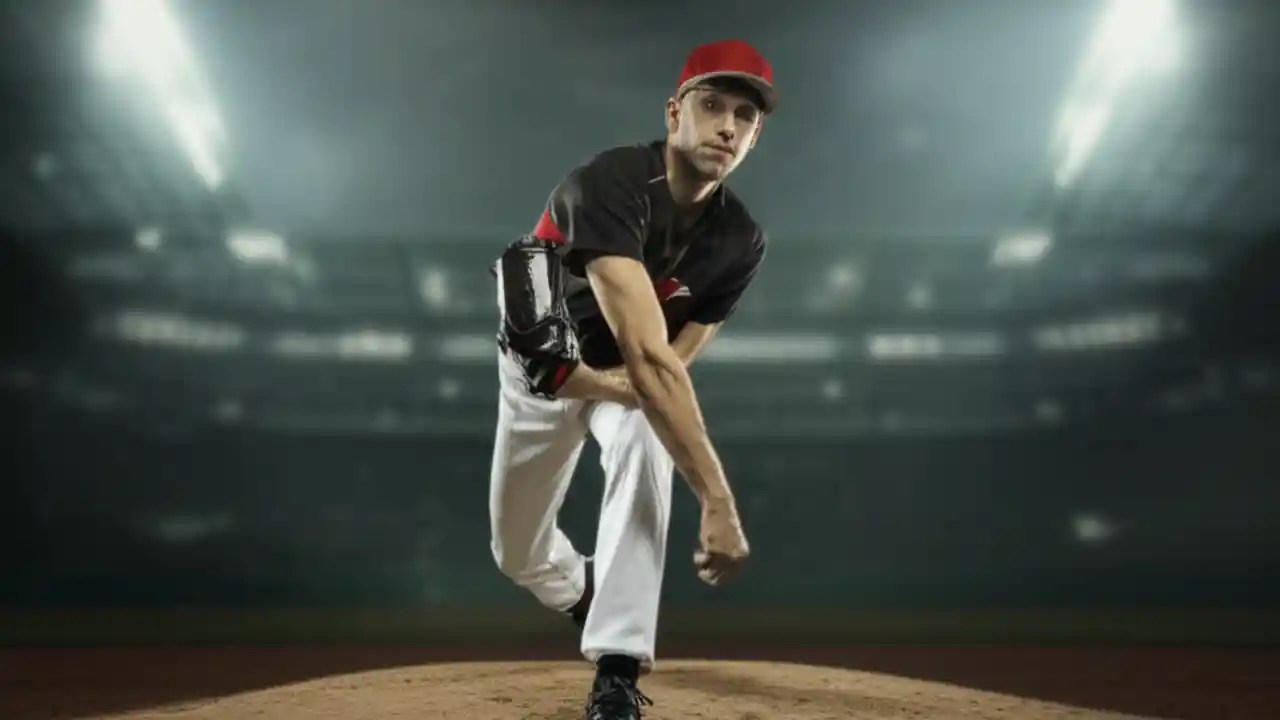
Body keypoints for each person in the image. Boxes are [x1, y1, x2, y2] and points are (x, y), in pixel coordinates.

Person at [488, 39, 778, 719]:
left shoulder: (741, 239)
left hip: (627, 377)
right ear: (675, 110)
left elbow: (675, 360)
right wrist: (719, 502)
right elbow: (647, 366)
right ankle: (585, 593)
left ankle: (617, 667)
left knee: (651, 434)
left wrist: (649, 397)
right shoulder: (611, 182)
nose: (728, 127)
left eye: (746, 116)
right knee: (516, 551)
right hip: (548, 372)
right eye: (712, 105)